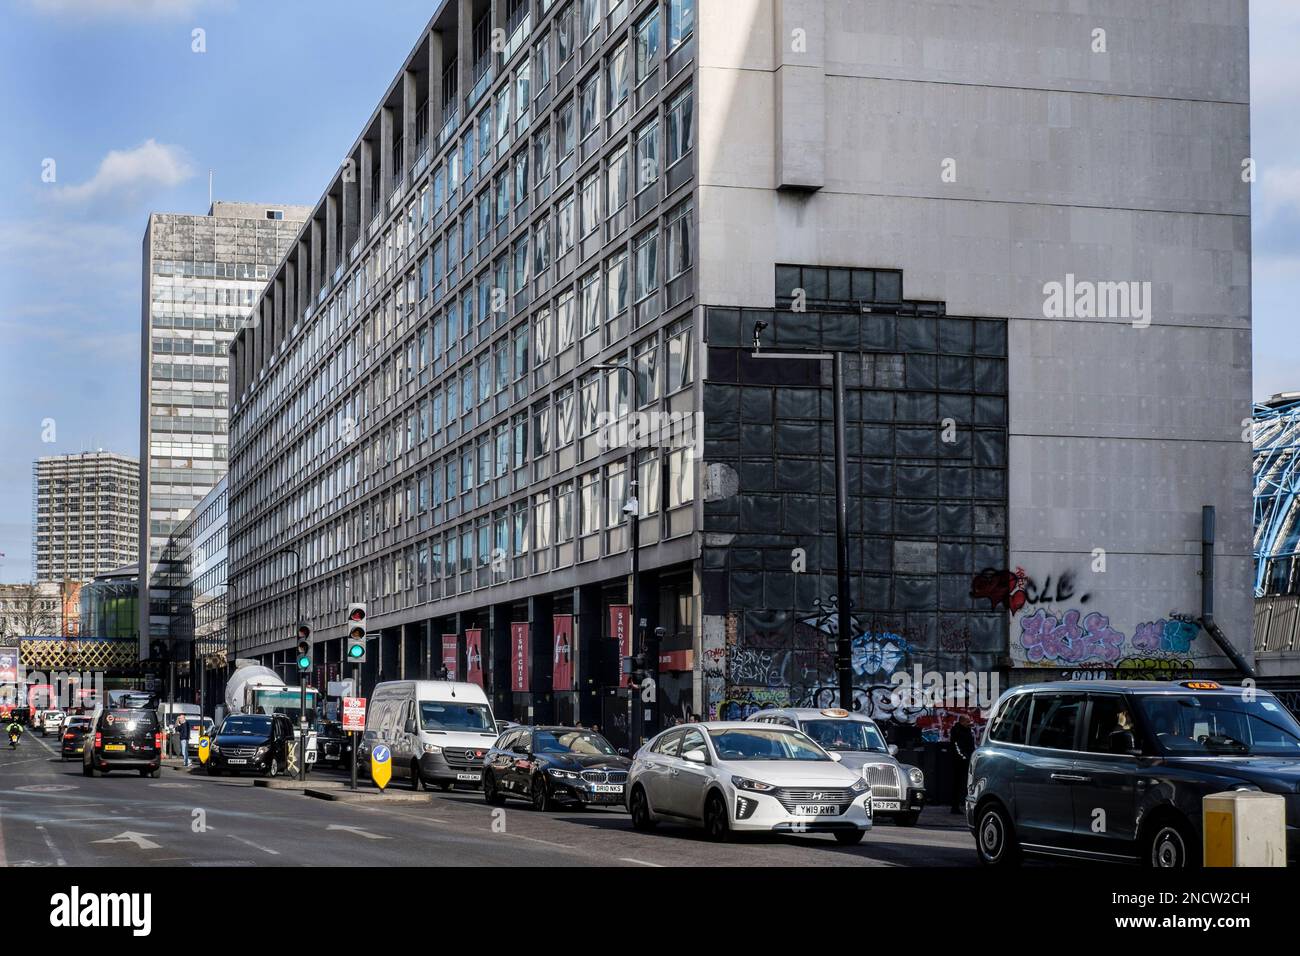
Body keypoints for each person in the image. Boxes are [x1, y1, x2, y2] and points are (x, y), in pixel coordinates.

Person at [949, 714, 976, 814]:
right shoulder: (956, 731)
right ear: (962, 722)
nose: (970, 723)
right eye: (967, 721)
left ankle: (964, 804)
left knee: (966, 783)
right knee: (957, 784)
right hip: (958, 761)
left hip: (967, 760)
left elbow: (971, 745)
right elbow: (956, 746)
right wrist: (963, 756)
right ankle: (955, 806)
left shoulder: (968, 731)